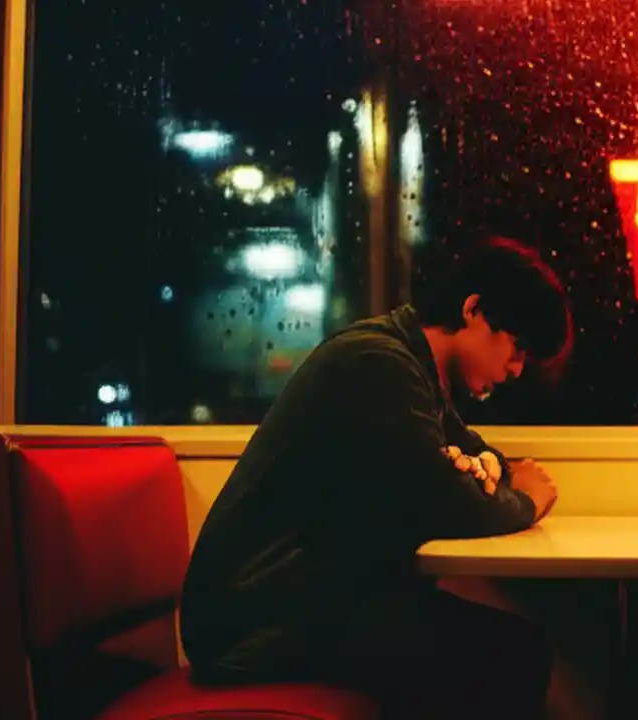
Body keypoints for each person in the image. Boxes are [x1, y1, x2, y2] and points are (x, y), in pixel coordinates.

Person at [181, 236, 573, 720]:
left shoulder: (413, 367)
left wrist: (495, 474)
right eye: (517, 348)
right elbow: (449, 503)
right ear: (474, 311)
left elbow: (477, 456)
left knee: (501, 646)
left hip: (304, 600)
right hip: (256, 620)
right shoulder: (377, 363)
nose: (515, 371)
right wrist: (528, 502)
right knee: (515, 653)